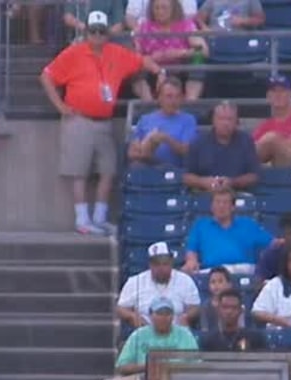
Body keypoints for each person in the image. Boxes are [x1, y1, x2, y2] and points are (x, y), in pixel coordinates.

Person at [41, 10, 162, 235]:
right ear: (87, 32)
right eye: (93, 31)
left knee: (108, 170)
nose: (97, 35)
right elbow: (47, 76)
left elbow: (141, 61)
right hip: (79, 119)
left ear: (106, 33)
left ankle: (99, 217)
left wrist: (159, 71)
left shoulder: (116, 53)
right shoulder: (73, 53)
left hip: (104, 121)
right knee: (78, 172)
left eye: (101, 31)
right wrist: (60, 106)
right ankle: (82, 219)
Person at [115, 296, 199, 375]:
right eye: (159, 313)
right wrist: (148, 367)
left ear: (173, 316)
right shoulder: (138, 336)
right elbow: (121, 367)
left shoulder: (185, 335)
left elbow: (197, 366)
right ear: (150, 315)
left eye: (167, 313)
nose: (164, 317)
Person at [127, 78, 196, 169]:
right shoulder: (145, 119)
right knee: (135, 167)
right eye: (169, 96)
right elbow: (131, 153)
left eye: (177, 96)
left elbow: (187, 151)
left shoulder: (188, 120)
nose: (173, 101)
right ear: (159, 98)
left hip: (174, 169)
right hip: (147, 166)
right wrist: (147, 147)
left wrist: (166, 138)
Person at [199, 288, 266, 352]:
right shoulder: (208, 341)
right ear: (218, 310)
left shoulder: (256, 338)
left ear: (241, 311)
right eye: (225, 307)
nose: (229, 312)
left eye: (234, 308)